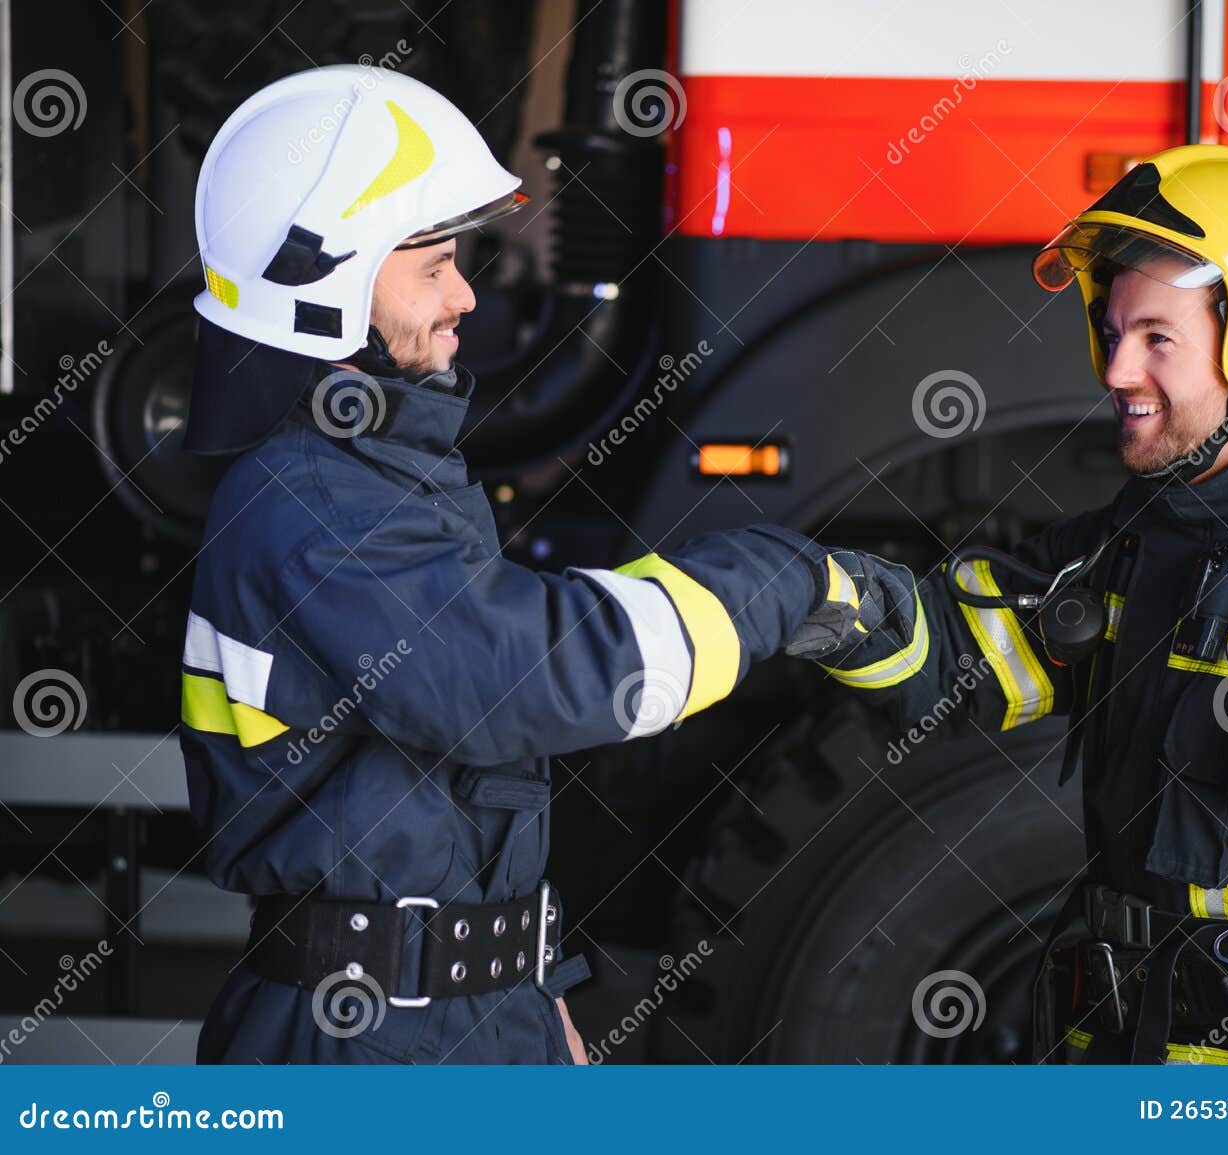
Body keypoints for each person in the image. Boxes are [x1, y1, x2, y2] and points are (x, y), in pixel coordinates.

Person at [180, 65, 878, 1064]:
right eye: (431, 266)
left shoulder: (385, 478)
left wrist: (527, 985)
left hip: (461, 1017)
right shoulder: (313, 502)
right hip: (365, 1044)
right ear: (316, 282)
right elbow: (527, 682)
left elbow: (458, 791)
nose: (464, 294)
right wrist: (784, 586)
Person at [789, 145, 1228, 1064]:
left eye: (1157, 338)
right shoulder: (1124, 552)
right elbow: (954, 659)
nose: (1117, 369)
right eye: (1112, 330)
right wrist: (801, 593)